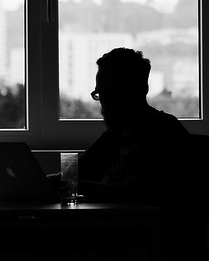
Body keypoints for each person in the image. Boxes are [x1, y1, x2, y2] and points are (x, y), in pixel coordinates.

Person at [77, 47, 188, 205]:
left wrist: (83, 187)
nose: (104, 101)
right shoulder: (114, 135)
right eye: (100, 93)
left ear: (141, 90)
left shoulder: (165, 133)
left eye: (113, 91)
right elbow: (75, 176)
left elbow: (159, 197)